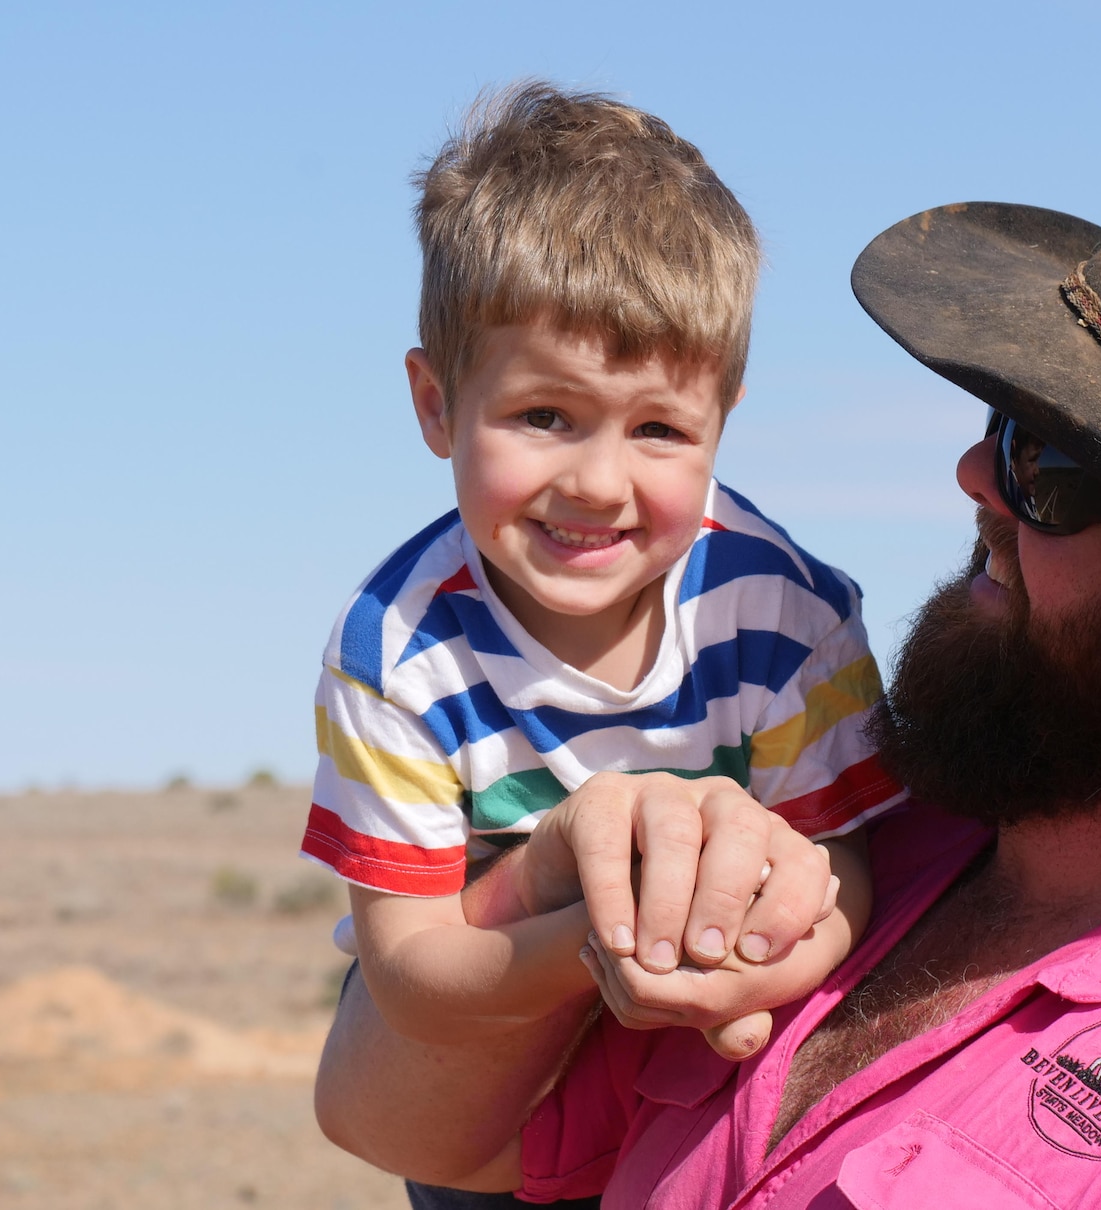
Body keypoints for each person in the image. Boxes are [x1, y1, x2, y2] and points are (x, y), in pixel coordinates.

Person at [315, 109, 1101, 1207]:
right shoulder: (884, 827)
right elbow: (412, 1130)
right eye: (1010, 424)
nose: (975, 474)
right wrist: (553, 871)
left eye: (1055, 470)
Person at [303, 82, 905, 1207]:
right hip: (481, 1048)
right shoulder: (397, 644)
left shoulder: (775, 611)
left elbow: (844, 873)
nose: (596, 482)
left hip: (698, 1041)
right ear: (436, 405)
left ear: (722, 417)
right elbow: (415, 972)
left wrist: (760, 958)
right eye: (543, 416)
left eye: (658, 431)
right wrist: (605, 950)